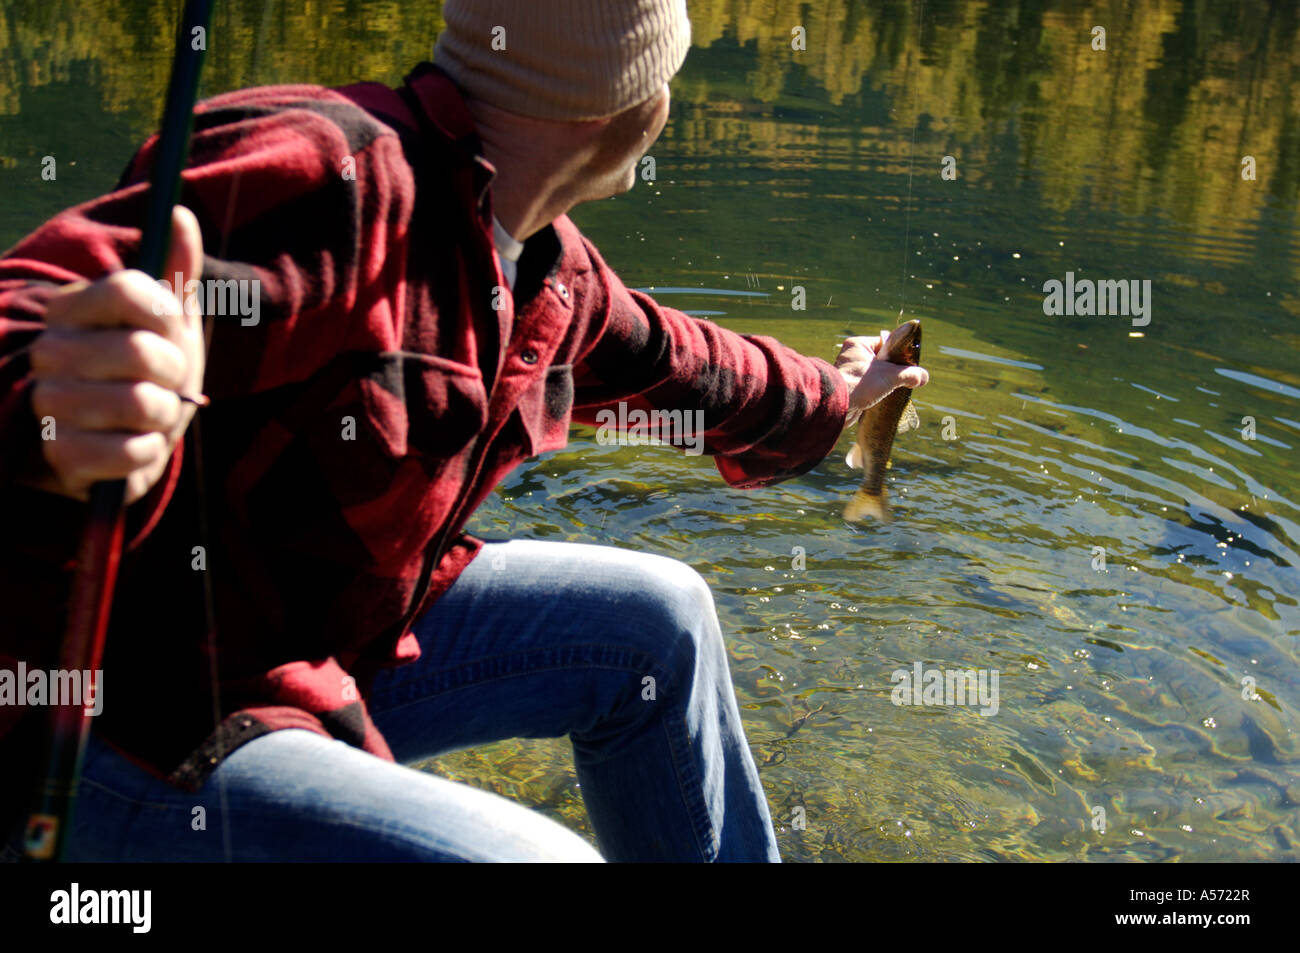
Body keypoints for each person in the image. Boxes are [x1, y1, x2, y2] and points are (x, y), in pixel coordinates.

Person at [0, 0, 928, 862]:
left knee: (658, 621)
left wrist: (844, 394)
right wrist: (57, 399)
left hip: (332, 651)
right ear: (626, 99)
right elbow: (32, 311)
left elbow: (697, 373)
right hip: (132, 721)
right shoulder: (329, 166)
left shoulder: (544, 265)